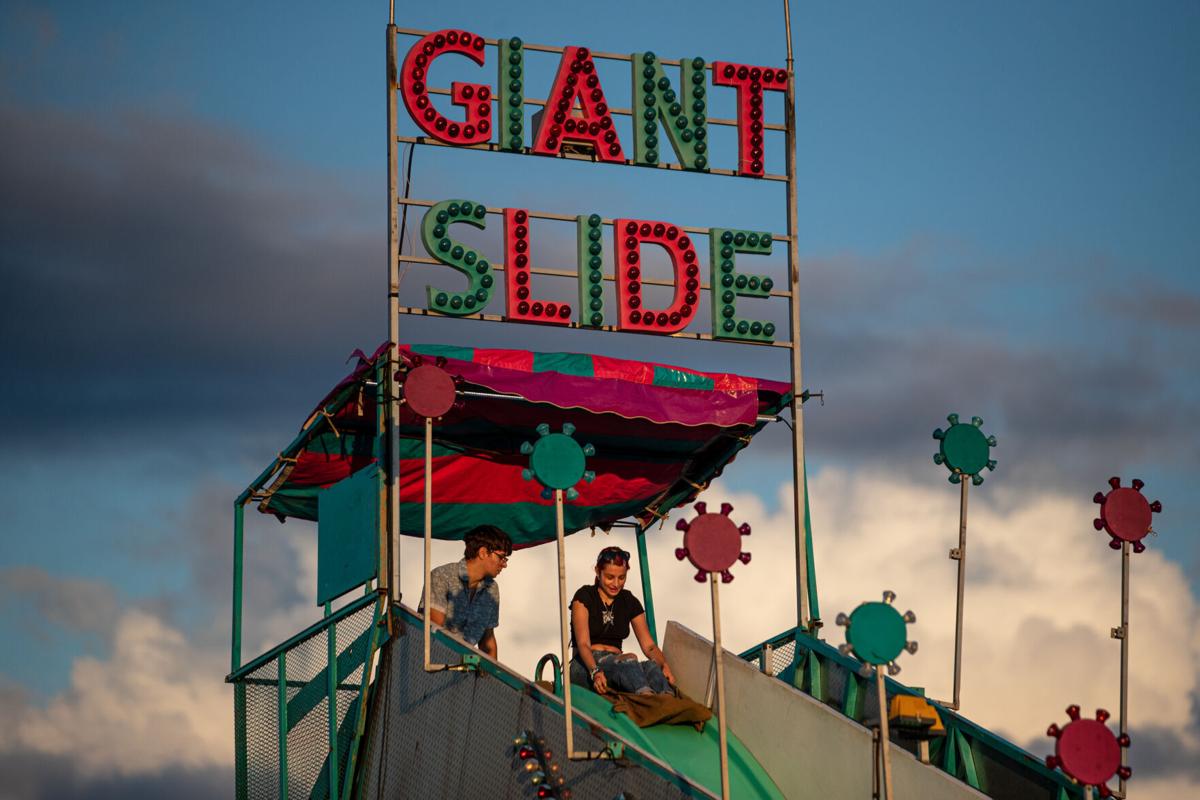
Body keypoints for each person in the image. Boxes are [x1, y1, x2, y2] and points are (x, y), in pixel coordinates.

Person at [570, 546, 675, 695]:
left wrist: (664, 665)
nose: (616, 584)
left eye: (621, 578)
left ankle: (668, 702)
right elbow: (583, 644)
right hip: (585, 665)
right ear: (597, 572)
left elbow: (649, 646)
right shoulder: (584, 596)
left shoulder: (629, 600)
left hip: (617, 661)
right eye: (610, 577)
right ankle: (647, 700)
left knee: (651, 667)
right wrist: (595, 672)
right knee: (629, 661)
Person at [420, 525, 512, 659]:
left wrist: (491, 675)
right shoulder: (441, 576)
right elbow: (435, 632)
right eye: (501, 557)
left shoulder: (492, 589)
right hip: (429, 663)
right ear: (483, 553)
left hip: (463, 670)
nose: (504, 564)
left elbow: (487, 640)